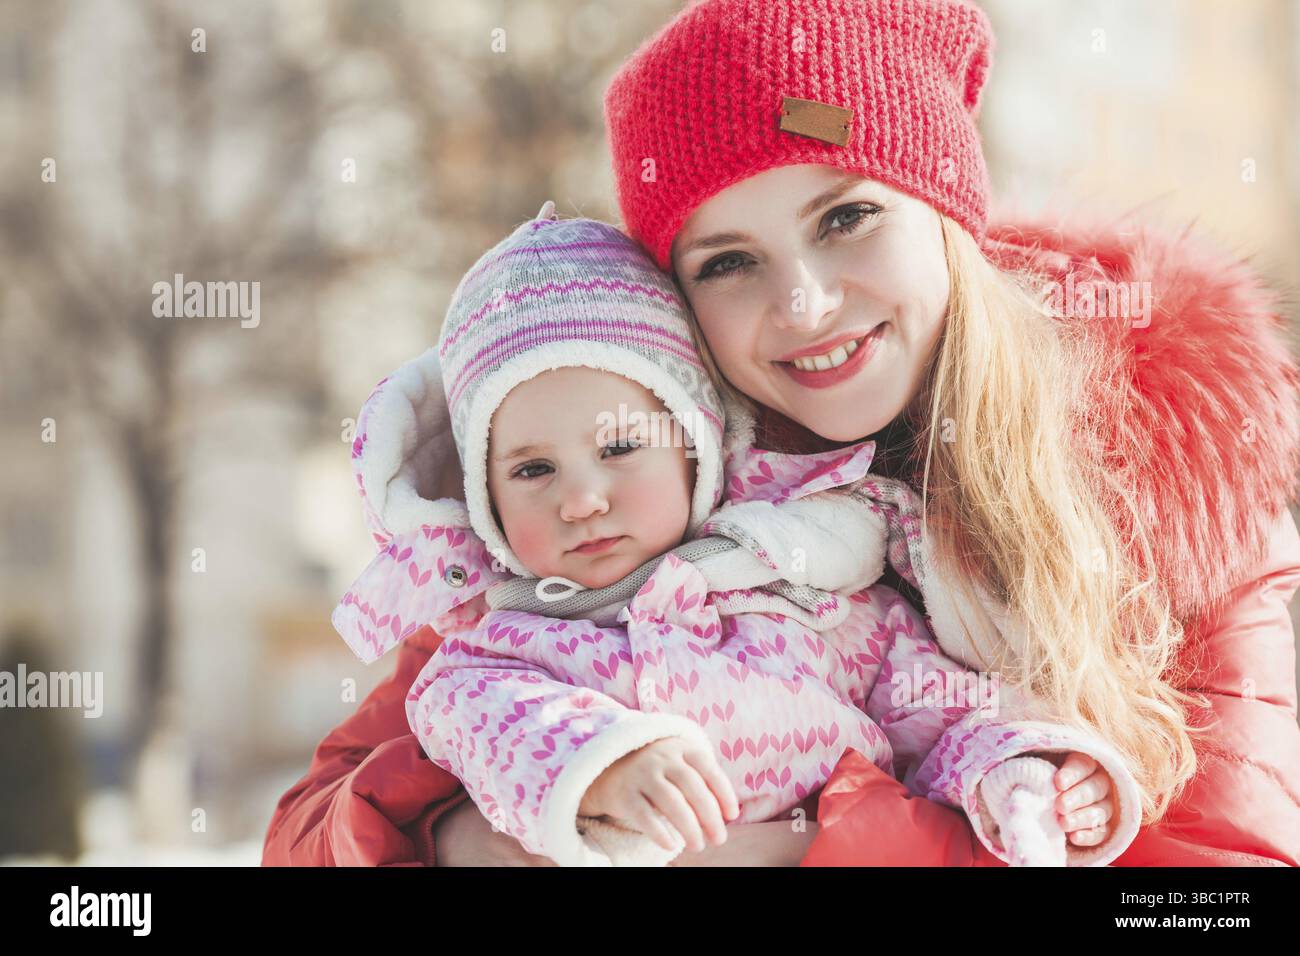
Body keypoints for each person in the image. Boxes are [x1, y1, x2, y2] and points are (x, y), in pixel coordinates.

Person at [262, 0, 1300, 867]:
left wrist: (784, 845)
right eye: (727, 261)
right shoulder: (624, 482)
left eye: (844, 218)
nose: (802, 304)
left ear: (942, 212)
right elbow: (309, 833)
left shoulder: (1169, 468)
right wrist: (467, 835)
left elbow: (1215, 884)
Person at [335, 207, 1139, 866]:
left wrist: (1014, 773)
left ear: (698, 449)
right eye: (531, 471)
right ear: (484, 501)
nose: (580, 500)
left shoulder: (809, 591)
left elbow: (934, 711)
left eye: (618, 448)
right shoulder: (506, 645)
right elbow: (470, 715)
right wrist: (595, 770)